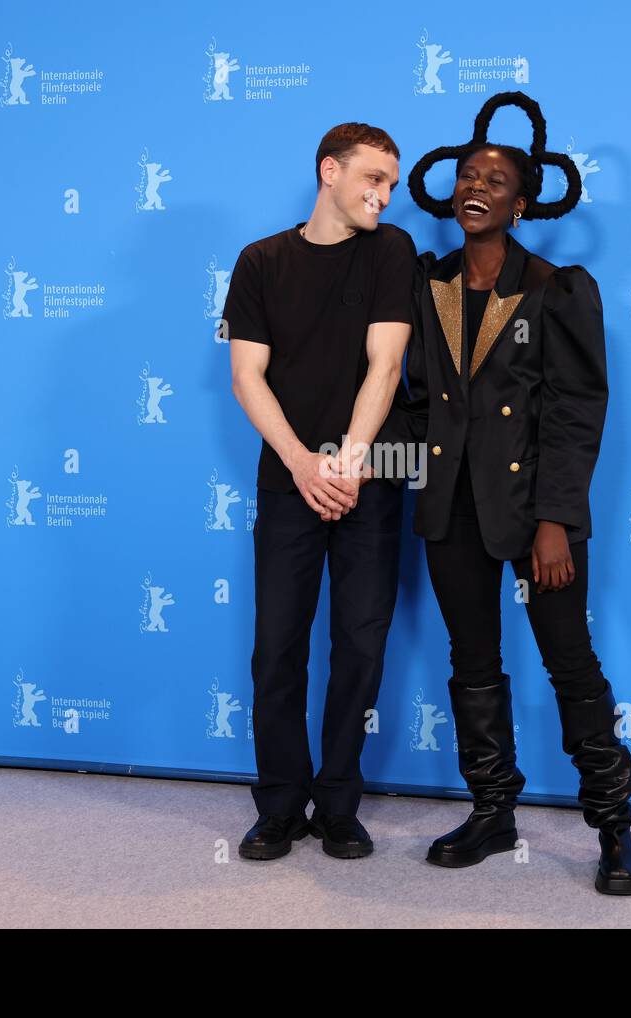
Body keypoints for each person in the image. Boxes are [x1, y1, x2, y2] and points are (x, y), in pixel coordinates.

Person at [378, 91, 631, 894]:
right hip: (450, 509)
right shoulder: (426, 288)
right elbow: (411, 398)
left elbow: (575, 408)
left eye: (496, 178)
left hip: (537, 517)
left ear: (521, 203)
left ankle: (613, 829)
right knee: (473, 663)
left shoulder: (559, 288)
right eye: (468, 173)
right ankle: (493, 810)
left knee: (571, 664)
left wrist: (558, 518)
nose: (478, 183)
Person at [224, 122, 416, 861]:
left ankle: (338, 802)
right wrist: (305, 462)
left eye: (392, 184)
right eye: (372, 178)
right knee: (276, 647)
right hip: (289, 476)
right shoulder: (261, 261)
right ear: (328, 171)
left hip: (369, 474)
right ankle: (278, 804)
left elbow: (385, 364)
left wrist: (347, 460)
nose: (383, 195)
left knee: (360, 646)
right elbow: (247, 376)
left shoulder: (391, 250)